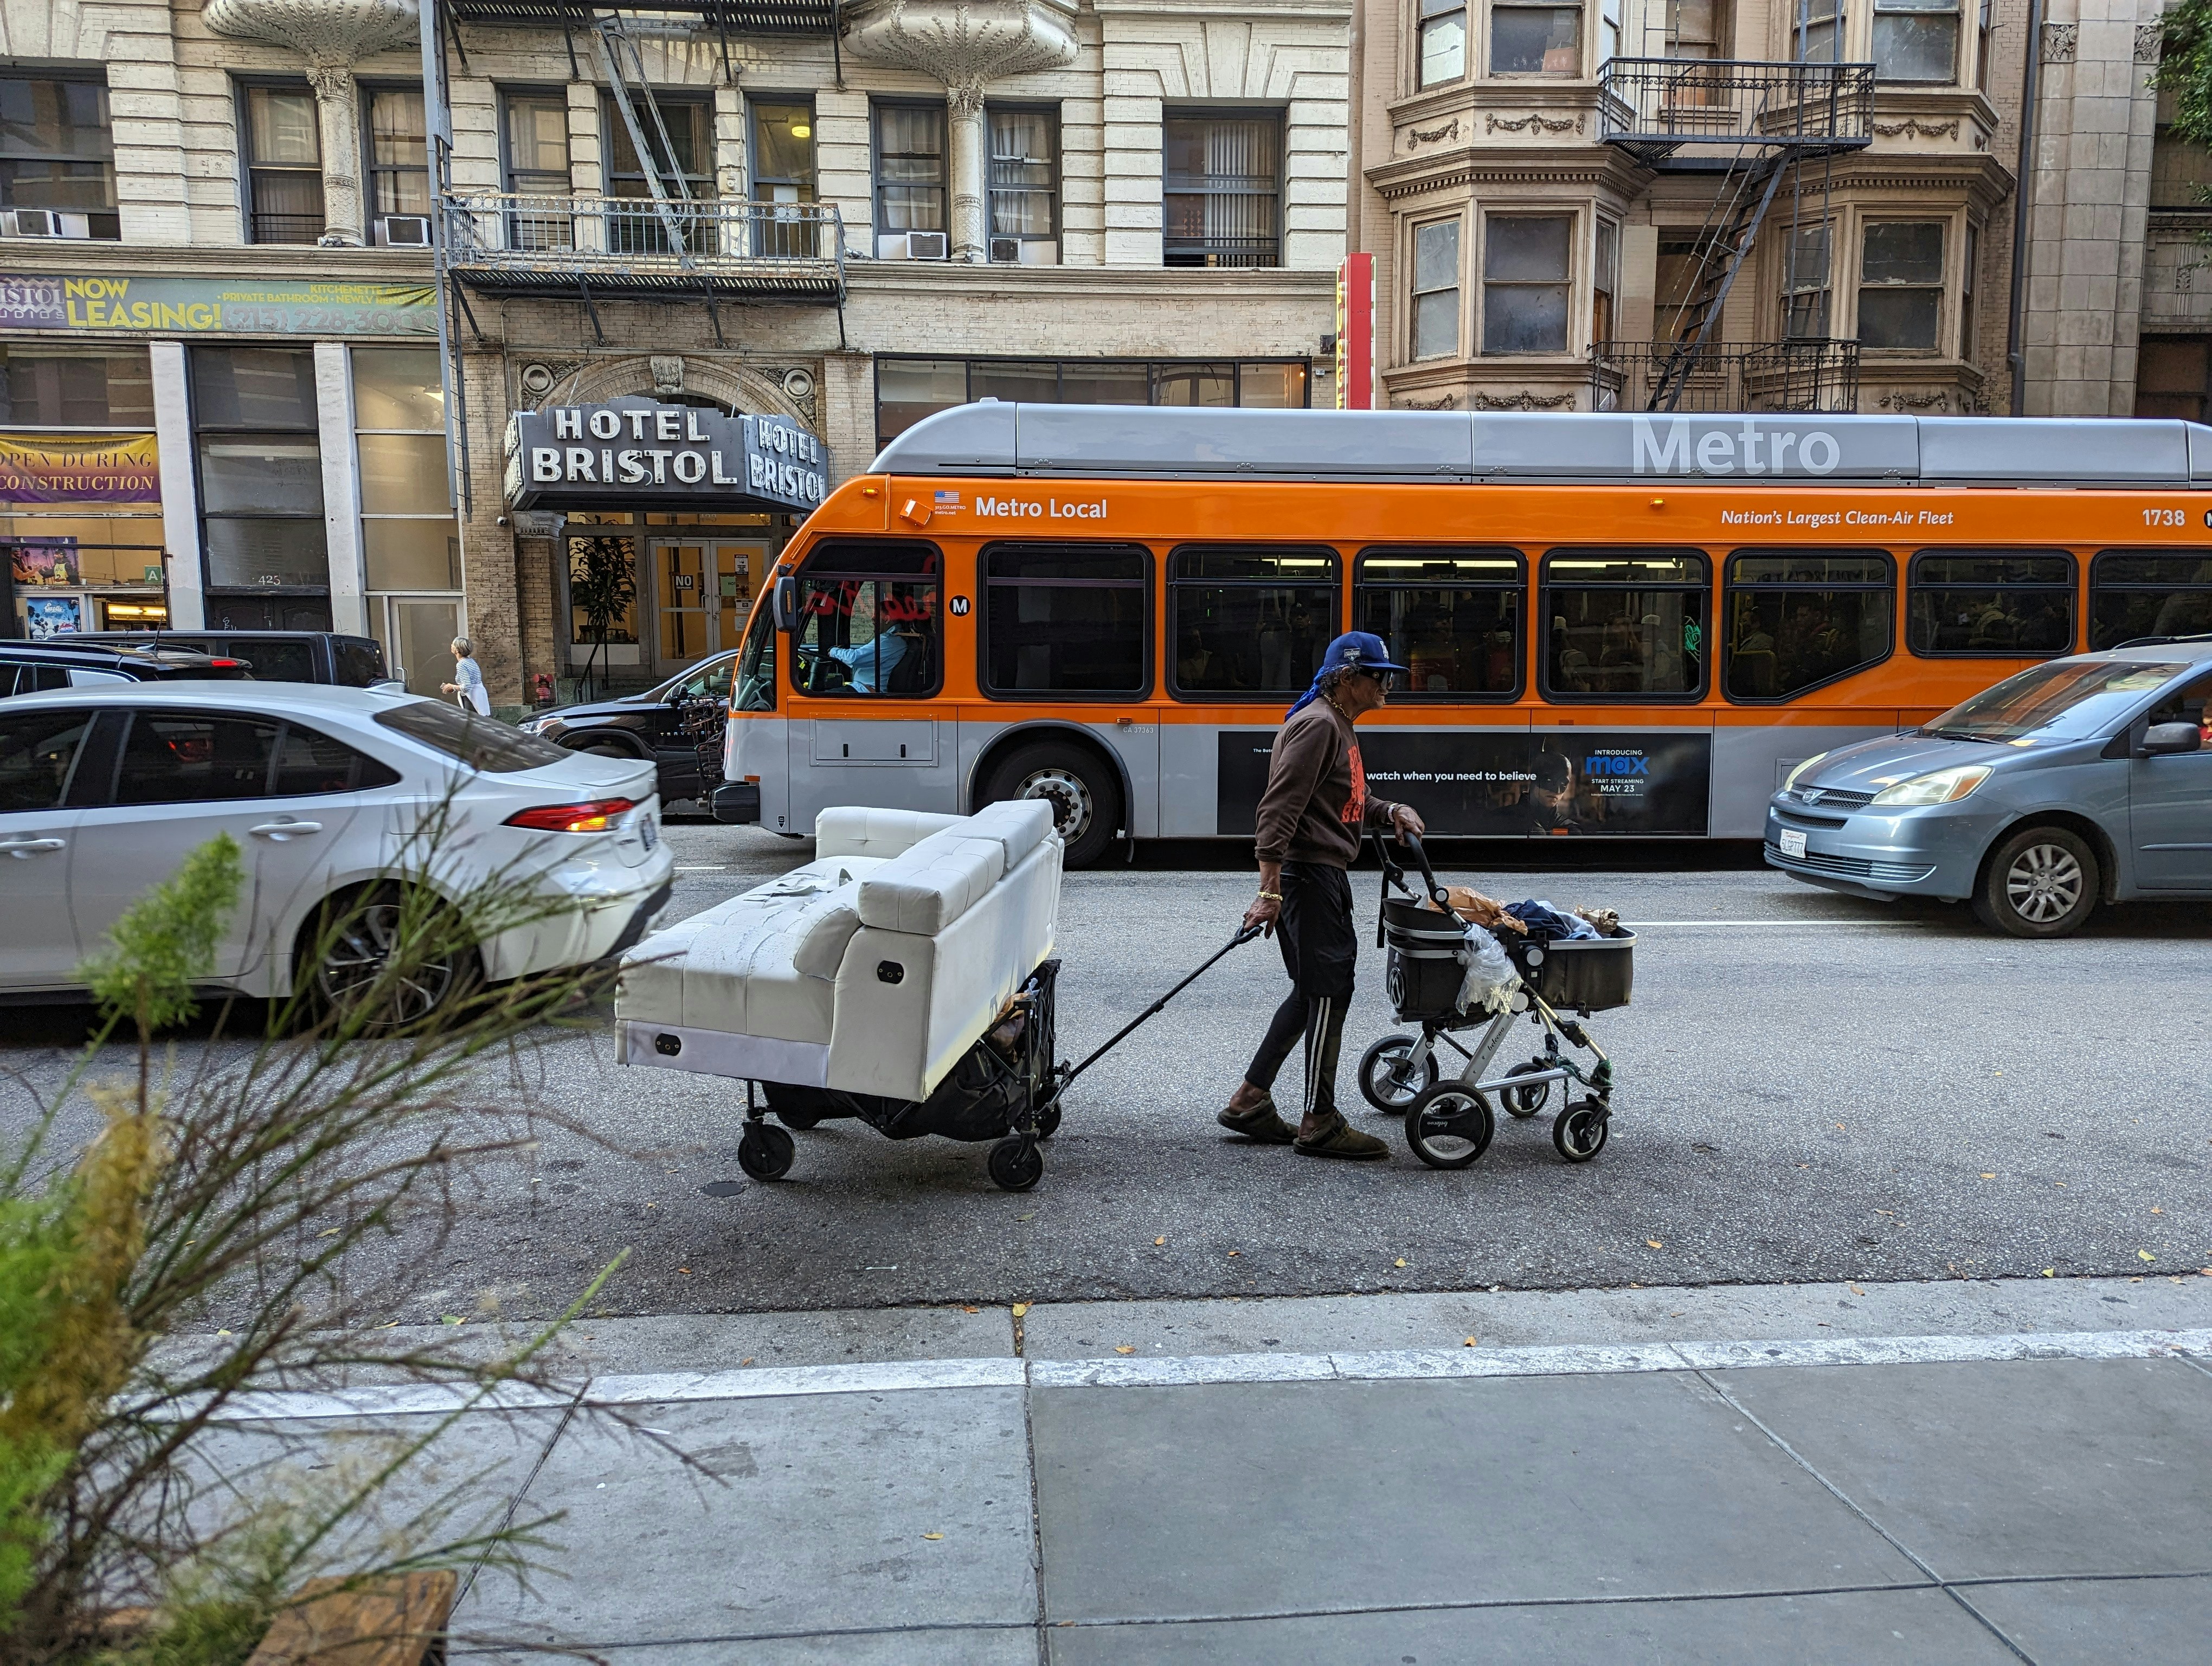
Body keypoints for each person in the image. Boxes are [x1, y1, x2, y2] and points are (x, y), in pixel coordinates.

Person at [1217, 631, 1426, 1159]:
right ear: (1348, 678)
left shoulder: (1337, 723)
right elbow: (1277, 812)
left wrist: (1388, 811)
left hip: (1317, 874)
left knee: (1312, 990)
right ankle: (1320, 1120)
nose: (1388, 685)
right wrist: (1269, 891)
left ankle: (1250, 1100)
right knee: (1329, 990)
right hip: (1309, 877)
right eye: (1379, 676)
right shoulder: (1317, 725)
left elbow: (1345, 795)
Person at [441, 637, 491, 715]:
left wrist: (452, 687)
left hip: (470, 701)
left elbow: (466, 687)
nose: (451, 645)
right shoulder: (471, 661)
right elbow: (473, 682)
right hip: (479, 697)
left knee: (471, 725)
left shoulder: (461, 665)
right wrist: (454, 689)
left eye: (453, 645)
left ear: (457, 650)